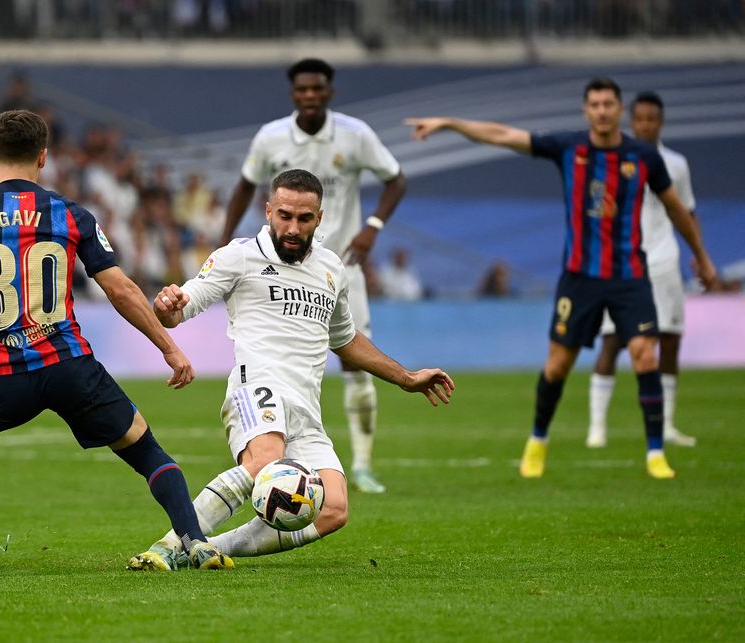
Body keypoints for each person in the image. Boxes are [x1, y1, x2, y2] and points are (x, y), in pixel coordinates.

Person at [0, 109, 232, 572]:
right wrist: (170, 348)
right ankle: (196, 541)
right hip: (70, 367)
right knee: (144, 446)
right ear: (43, 157)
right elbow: (120, 289)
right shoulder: (70, 214)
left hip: (2, 375)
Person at [129, 169, 453, 570]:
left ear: (320, 218)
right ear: (268, 211)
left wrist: (406, 378)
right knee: (265, 460)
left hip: (305, 408)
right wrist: (168, 306)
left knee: (333, 508)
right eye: (284, 215)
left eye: (304, 218)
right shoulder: (239, 256)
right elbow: (184, 305)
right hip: (257, 385)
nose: (293, 227)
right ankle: (166, 546)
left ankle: (209, 548)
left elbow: (347, 342)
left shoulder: (332, 270)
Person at [406, 76, 718, 480]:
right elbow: (503, 135)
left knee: (645, 355)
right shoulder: (569, 148)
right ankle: (537, 440)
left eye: (609, 104)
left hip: (630, 276)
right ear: (586, 110)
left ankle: (656, 453)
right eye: (595, 104)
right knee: (557, 367)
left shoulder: (643, 157)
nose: (602, 111)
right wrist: (449, 123)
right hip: (580, 279)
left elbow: (676, 207)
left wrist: (702, 258)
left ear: (619, 109)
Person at [220, 58, 409, 495]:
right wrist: (225, 240)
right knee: (282, 364)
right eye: (302, 89)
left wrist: (372, 228)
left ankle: (362, 464)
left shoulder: (355, 134)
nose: (310, 96)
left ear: (329, 92)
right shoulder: (270, 137)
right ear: (293, 94)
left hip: (340, 269)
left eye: (317, 89)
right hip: (282, 270)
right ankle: (275, 446)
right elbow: (246, 185)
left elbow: (396, 179)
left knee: (355, 359)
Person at [587, 92, 699, 449]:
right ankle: (597, 429)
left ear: (660, 122)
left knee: (668, 342)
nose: (646, 124)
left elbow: (687, 212)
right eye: (640, 118)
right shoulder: (615, 159)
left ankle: (665, 426)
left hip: (665, 262)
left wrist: (700, 254)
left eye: (652, 119)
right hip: (624, 264)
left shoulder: (676, 165)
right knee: (612, 341)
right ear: (629, 120)